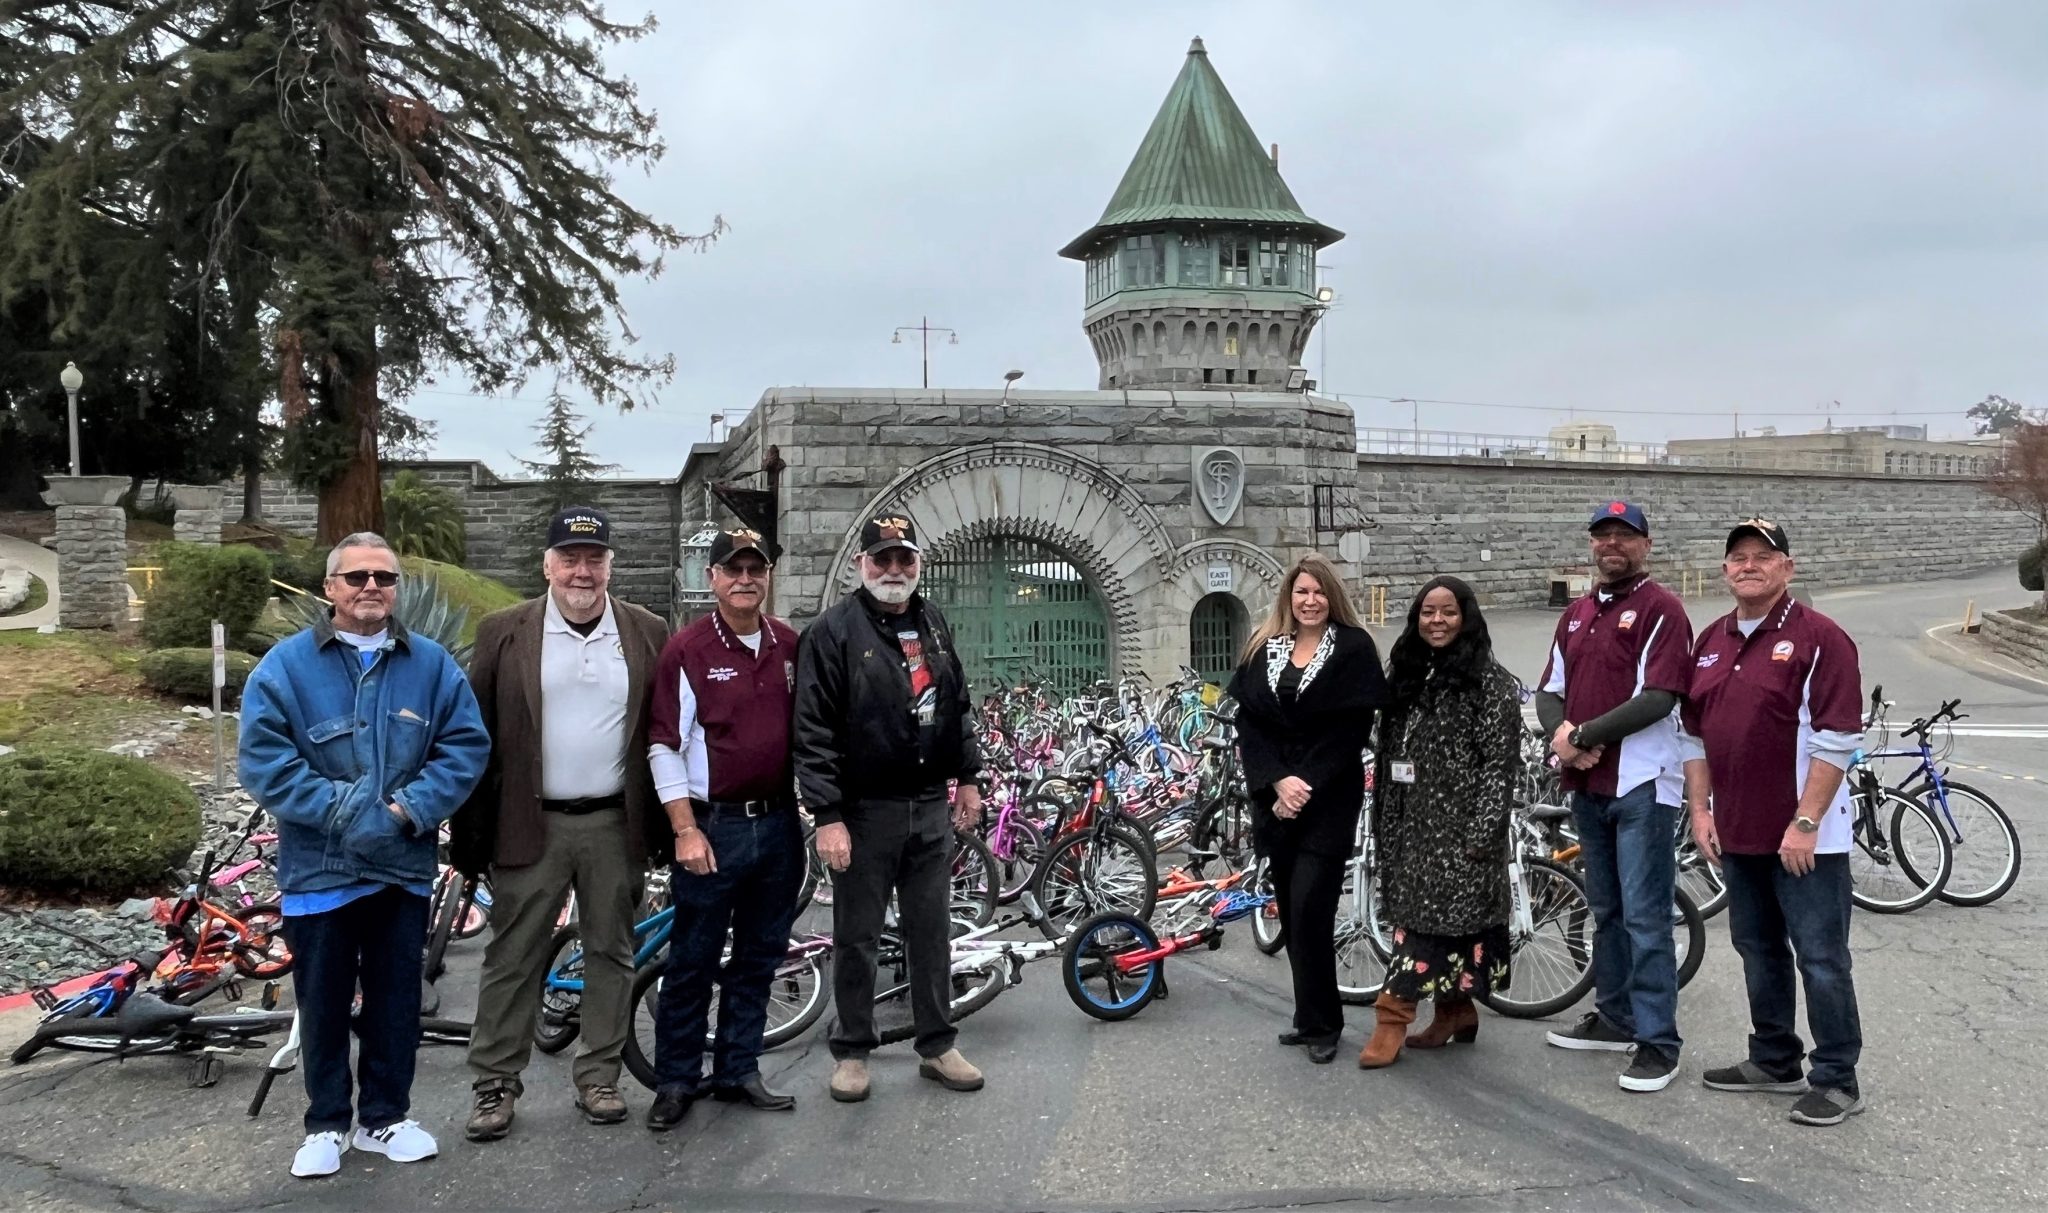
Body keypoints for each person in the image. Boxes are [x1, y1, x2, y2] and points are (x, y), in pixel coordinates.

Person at [238, 533, 489, 1179]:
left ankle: (384, 1118)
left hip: (400, 870)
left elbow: (464, 747)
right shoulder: (285, 668)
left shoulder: (432, 666)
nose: (371, 586)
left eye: (383, 576)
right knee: (320, 1001)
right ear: (330, 588)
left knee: (395, 1000)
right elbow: (266, 760)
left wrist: (405, 811)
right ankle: (325, 1123)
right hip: (318, 870)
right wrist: (348, 811)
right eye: (356, 577)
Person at [454, 506, 670, 1140]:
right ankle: (495, 1083)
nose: (583, 570)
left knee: (611, 951)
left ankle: (599, 1075)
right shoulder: (503, 632)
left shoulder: (648, 631)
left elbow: (664, 729)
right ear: (546, 565)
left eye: (595, 558)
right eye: (570, 558)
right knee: (512, 956)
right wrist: (470, 835)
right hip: (530, 823)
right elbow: (478, 737)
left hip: (613, 822)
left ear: (610, 565)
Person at [793, 511, 984, 1102]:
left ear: (917, 566)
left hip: (929, 805)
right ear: (862, 565)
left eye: (904, 559)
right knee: (858, 937)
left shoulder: (932, 621)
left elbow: (957, 703)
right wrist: (826, 816)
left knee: (932, 933)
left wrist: (970, 778)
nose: (894, 570)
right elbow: (813, 731)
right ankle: (852, 1050)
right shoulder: (832, 632)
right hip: (864, 811)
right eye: (883, 559)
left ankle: (937, 1043)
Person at [1682, 518, 1868, 1127]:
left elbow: (1839, 736)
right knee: (1757, 948)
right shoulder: (1710, 640)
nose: (1748, 565)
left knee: (1819, 955)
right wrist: (1701, 809)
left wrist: (1807, 820)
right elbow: (1692, 736)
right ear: (1725, 570)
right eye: (1737, 557)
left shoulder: (1821, 639)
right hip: (1738, 830)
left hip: (1804, 834)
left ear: (1788, 567)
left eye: (1763, 556)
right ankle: (1773, 1058)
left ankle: (1838, 1078)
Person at [642, 528, 805, 1131]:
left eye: (755, 570)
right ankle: (677, 1079)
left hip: (780, 826)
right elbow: (664, 744)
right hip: (716, 827)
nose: (745, 580)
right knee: (693, 959)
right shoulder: (688, 649)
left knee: (760, 956)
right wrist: (685, 829)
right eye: (732, 570)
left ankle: (739, 1067)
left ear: (767, 577)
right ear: (712, 578)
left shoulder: (788, 644)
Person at [1534, 500, 1694, 1093]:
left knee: (1647, 918)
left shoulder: (1662, 609)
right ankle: (1617, 1015)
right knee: (1607, 912)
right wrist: (1563, 737)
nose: (1611, 545)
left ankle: (1658, 1041)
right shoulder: (1575, 613)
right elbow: (1549, 689)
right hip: (1588, 784)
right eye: (1602, 536)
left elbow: (1659, 696)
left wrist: (1585, 735)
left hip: (1642, 785)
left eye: (1624, 537)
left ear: (1645, 546)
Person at [1225, 553, 1387, 1065]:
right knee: (1291, 915)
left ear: (1331, 596)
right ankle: (1308, 1015)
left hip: (1327, 797)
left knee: (1311, 906)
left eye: (1319, 592)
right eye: (1301, 593)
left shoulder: (1353, 649)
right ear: (1288, 598)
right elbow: (1250, 725)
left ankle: (1325, 1024)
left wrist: (1304, 784)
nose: (1310, 601)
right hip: (1275, 798)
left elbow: (1350, 731)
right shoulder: (1264, 647)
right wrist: (1277, 780)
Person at [1361, 575, 1521, 1068]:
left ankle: (1392, 1017)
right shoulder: (1406, 674)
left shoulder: (1489, 682)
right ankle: (1455, 1010)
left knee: (1423, 929)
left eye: (1448, 611)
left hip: (1460, 829)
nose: (1437, 621)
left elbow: (1499, 764)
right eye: (1428, 612)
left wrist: (1481, 834)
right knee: (1438, 924)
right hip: (1408, 824)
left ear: (1466, 616)